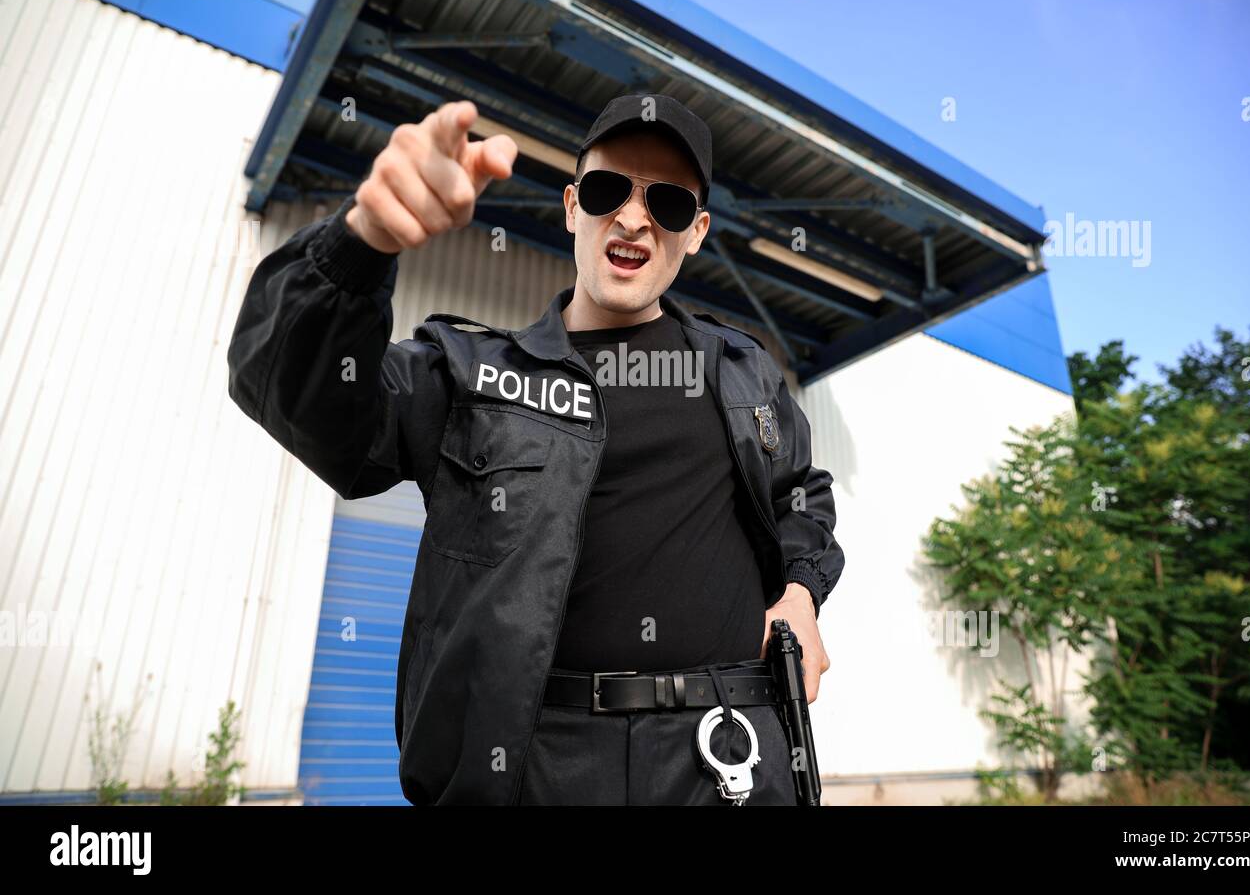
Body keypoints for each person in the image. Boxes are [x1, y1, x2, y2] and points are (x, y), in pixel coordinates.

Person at [227, 92, 845, 805]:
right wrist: (361, 240)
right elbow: (291, 394)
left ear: (697, 230)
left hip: (726, 764)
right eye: (609, 190)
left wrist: (801, 593)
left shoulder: (743, 375)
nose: (634, 218)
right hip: (535, 771)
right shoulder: (470, 376)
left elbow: (803, 496)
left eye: (668, 202)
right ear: (572, 206)